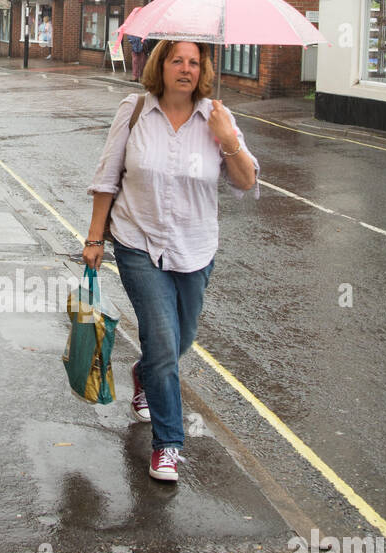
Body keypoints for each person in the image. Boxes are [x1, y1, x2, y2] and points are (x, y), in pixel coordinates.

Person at [83, 40, 258, 483]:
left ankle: (144, 375)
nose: (185, 69)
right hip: (138, 241)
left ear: (204, 70)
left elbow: (247, 183)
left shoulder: (217, 118)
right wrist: (94, 237)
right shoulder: (135, 109)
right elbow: (108, 175)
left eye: (194, 62)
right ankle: (168, 445)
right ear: (160, 66)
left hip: (195, 249)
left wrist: (229, 139)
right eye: (176, 60)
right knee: (162, 341)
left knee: (178, 344)